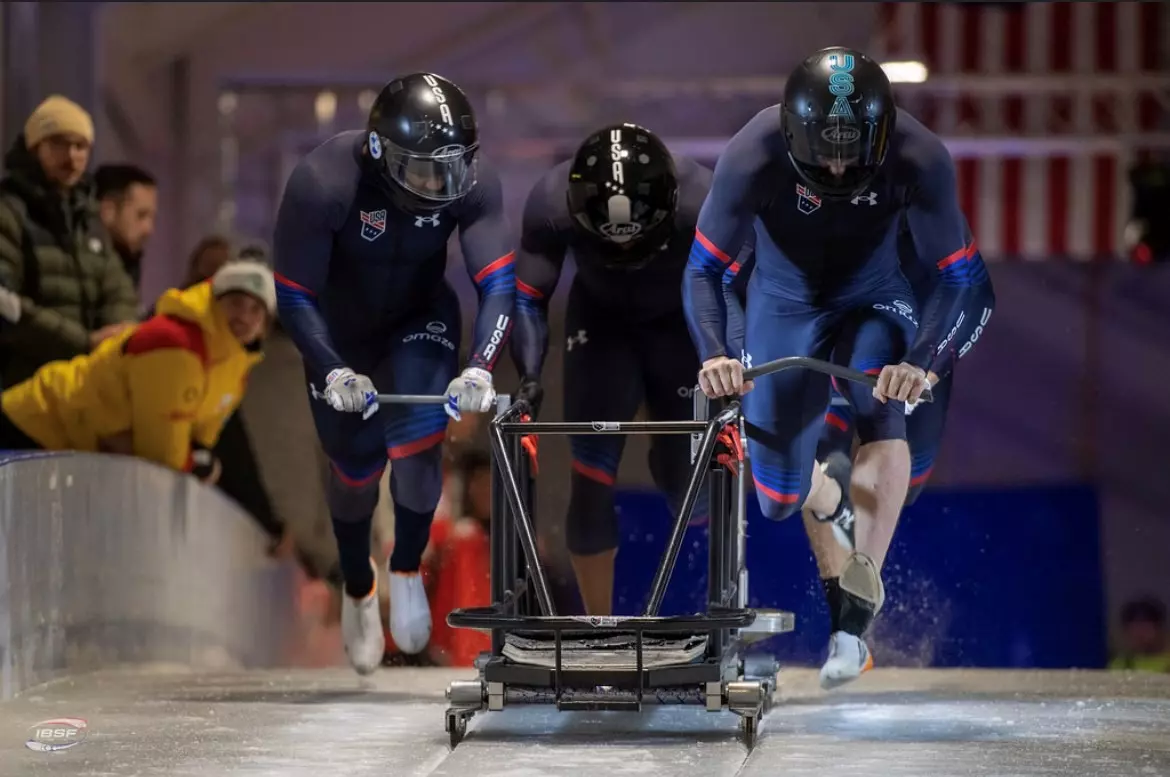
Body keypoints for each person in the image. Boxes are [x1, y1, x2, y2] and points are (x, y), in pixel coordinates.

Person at [683, 47, 975, 690]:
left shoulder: (921, 156)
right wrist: (715, 352)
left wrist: (921, 363)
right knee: (777, 500)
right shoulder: (752, 152)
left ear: (883, 135)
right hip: (785, 306)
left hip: (880, 295)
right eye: (824, 154)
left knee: (883, 403)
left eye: (853, 153)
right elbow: (703, 270)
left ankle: (852, 624)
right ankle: (829, 495)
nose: (839, 167)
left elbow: (963, 280)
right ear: (792, 136)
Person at [273, 72, 515, 675]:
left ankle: (406, 568)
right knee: (356, 471)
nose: (438, 186)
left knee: (416, 449)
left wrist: (480, 367)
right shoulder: (322, 182)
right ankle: (360, 585)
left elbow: (497, 284)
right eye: (423, 171)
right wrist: (332, 370)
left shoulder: (473, 181)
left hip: (419, 316)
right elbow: (295, 294)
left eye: (450, 170)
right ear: (380, 152)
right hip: (339, 331)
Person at [725, 216, 995, 678]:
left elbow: (977, 295)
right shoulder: (794, 207)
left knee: (903, 484)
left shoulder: (922, 211)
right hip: (826, 338)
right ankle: (847, 630)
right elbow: (730, 282)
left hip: (910, 349)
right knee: (819, 459)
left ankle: (851, 578)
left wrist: (928, 368)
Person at [511, 123, 714, 616]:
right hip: (602, 325)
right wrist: (530, 377)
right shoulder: (551, 205)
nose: (624, 252)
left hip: (679, 326)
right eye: (611, 242)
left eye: (636, 241)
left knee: (687, 486)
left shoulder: (702, 203)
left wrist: (727, 356)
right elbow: (529, 297)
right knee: (590, 479)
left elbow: (745, 285)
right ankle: (597, 626)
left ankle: (669, 452)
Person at [0, 259, 274, 479]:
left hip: (70, 444)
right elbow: (160, 449)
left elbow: (202, 431)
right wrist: (192, 466)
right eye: (236, 303)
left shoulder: (236, 365)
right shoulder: (177, 342)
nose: (244, 316)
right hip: (37, 424)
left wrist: (197, 457)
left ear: (264, 325)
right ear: (214, 302)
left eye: (256, 310)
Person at [0, 95, 139, 389]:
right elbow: (5, 304)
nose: (72, 155)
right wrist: (81, 343)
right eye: (59, 144)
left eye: (80, 146)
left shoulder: (88, 219)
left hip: (81, 388)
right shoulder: (9, 212)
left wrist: (118, 334)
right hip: (23, 389)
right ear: (35, 147)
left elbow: (117, 289)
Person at [94, 163, 158, 292]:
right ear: (108, 210)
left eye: (152, 218)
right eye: (141, 215)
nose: (148, 229)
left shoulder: (129, 263)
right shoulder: (80, 266)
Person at [1109, 596, 1170, 673]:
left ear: (1159, 628)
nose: (1140, 635)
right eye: (1135, 629)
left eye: (1145, 628)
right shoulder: (1120, 665)